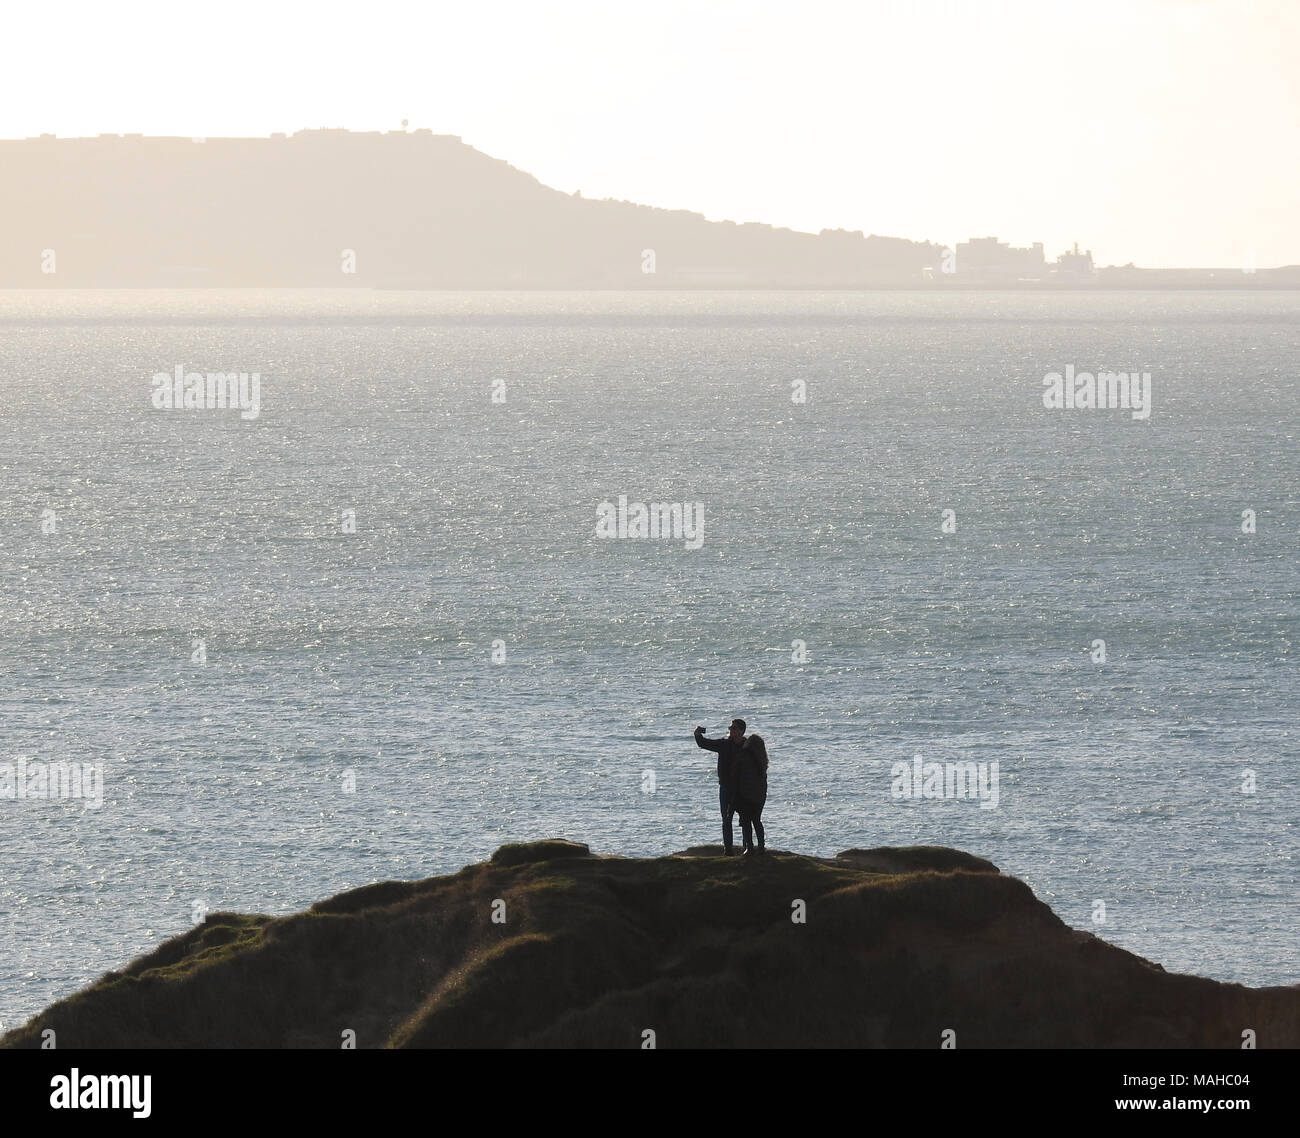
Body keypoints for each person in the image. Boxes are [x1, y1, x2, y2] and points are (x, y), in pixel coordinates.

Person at [693, 719, 746, 855]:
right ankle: (728, 850)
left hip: (742, 788)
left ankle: (748, 848)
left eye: (733, 728)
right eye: (730, 727)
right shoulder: (724, 744)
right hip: (725, 787)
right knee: (726, 819)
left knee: (745, 819)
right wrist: (698, 735)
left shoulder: (747, 746)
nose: (731, 730)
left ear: (741, 730)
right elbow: (704, 743)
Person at [735, 733, 768, 855]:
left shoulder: (745, 756)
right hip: (760, 795)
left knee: (746, 822)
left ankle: (749, 847)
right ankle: (761, 847)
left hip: (746, 794)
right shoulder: (762, 759)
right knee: (757, 821)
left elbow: (738, 774)